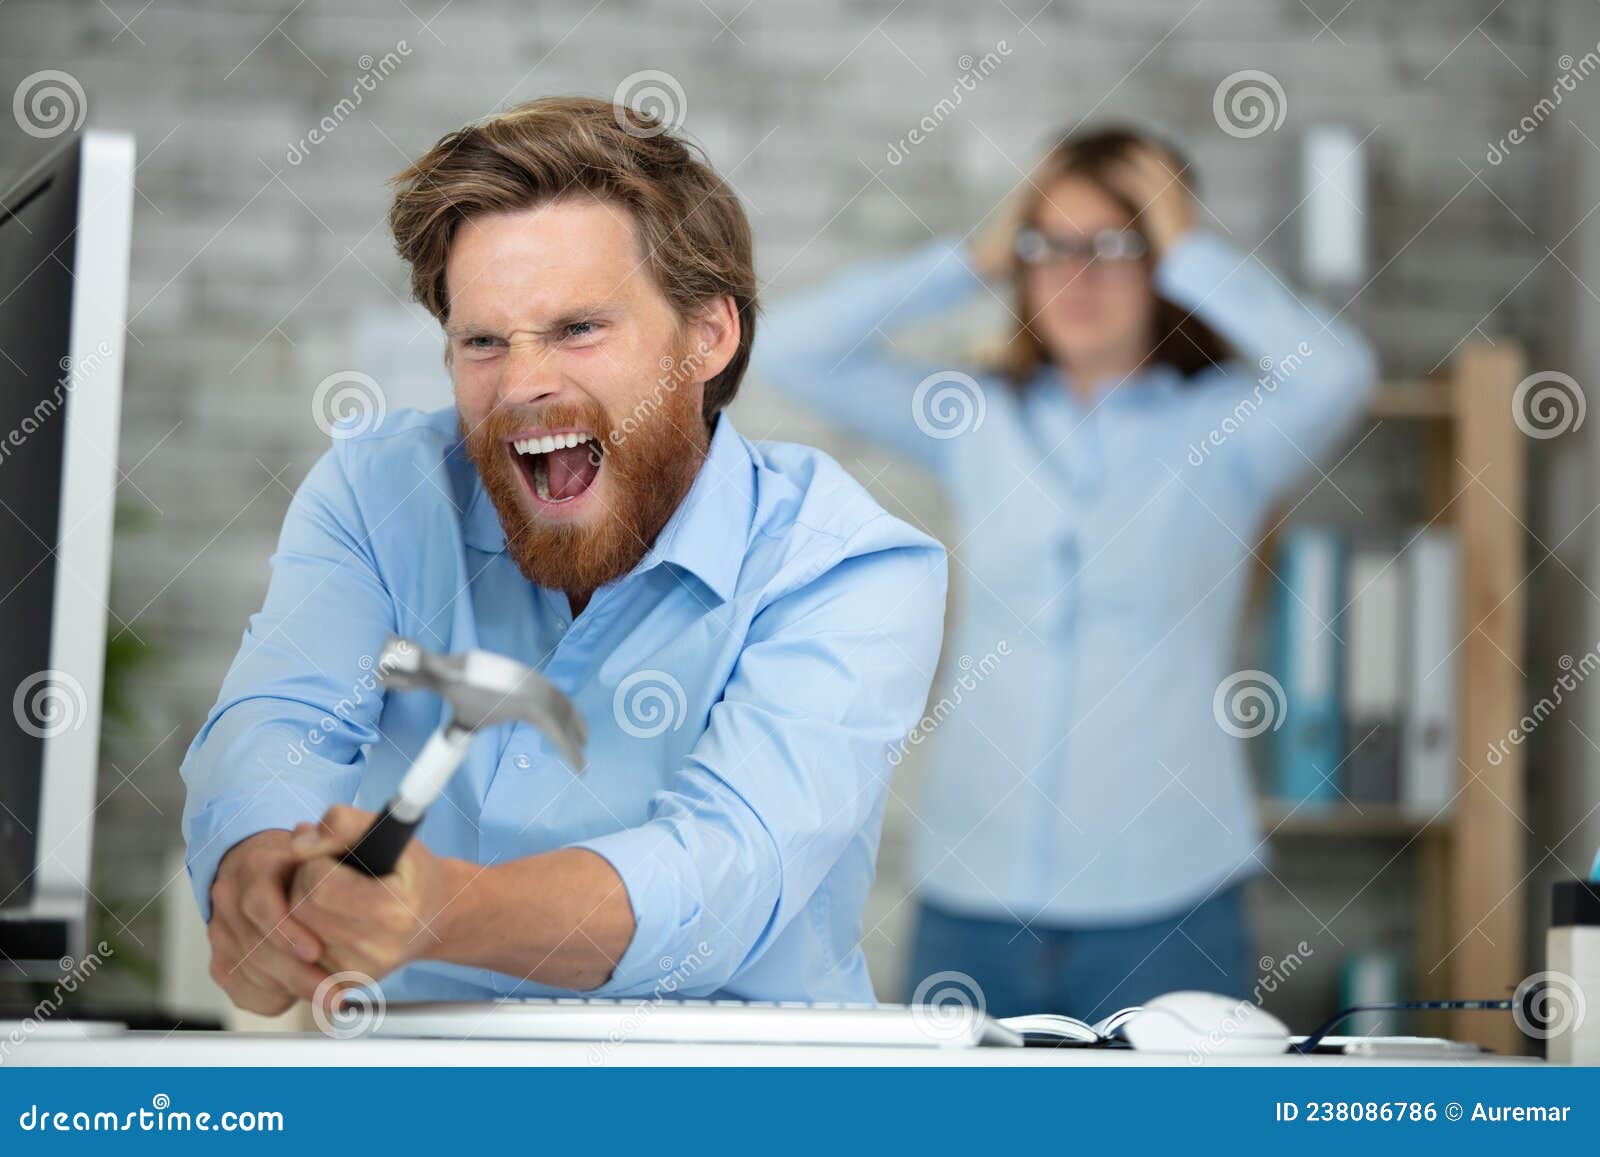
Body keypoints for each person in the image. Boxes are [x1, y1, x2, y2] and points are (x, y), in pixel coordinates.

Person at [180, 97, 947, 1017]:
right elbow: (278, 724)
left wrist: (438, 912)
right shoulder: (378, 493)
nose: (522, 384)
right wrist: (258, 869)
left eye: (579, 328)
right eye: (482, 342)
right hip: (413, 1076)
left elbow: (724, 872)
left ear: (708, 335)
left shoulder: (846, 566)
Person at [752, 126, 1377, 1021]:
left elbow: (1342, 374)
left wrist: (1192, 248)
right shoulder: (976, 419)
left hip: (1169, 896)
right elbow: (788, 349)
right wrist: (973, 259)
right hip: (973, 889)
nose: (1078, 276)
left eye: (1116, 246)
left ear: (1162, 262)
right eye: (1051, 246)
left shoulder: (1229, 430)